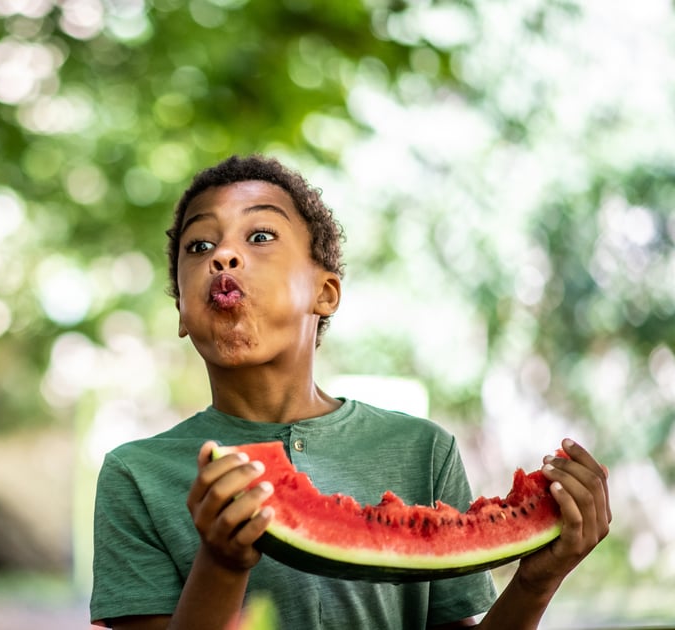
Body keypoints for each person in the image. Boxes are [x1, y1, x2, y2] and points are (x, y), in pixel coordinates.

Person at [90, 155, 611, 629]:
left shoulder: (423, 451)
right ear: (182, 309)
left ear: (325, 292)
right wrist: (222, 564)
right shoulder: (136, 475)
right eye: (200, 245)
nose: (223, 254)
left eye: (260, 236)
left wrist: (536, 581)